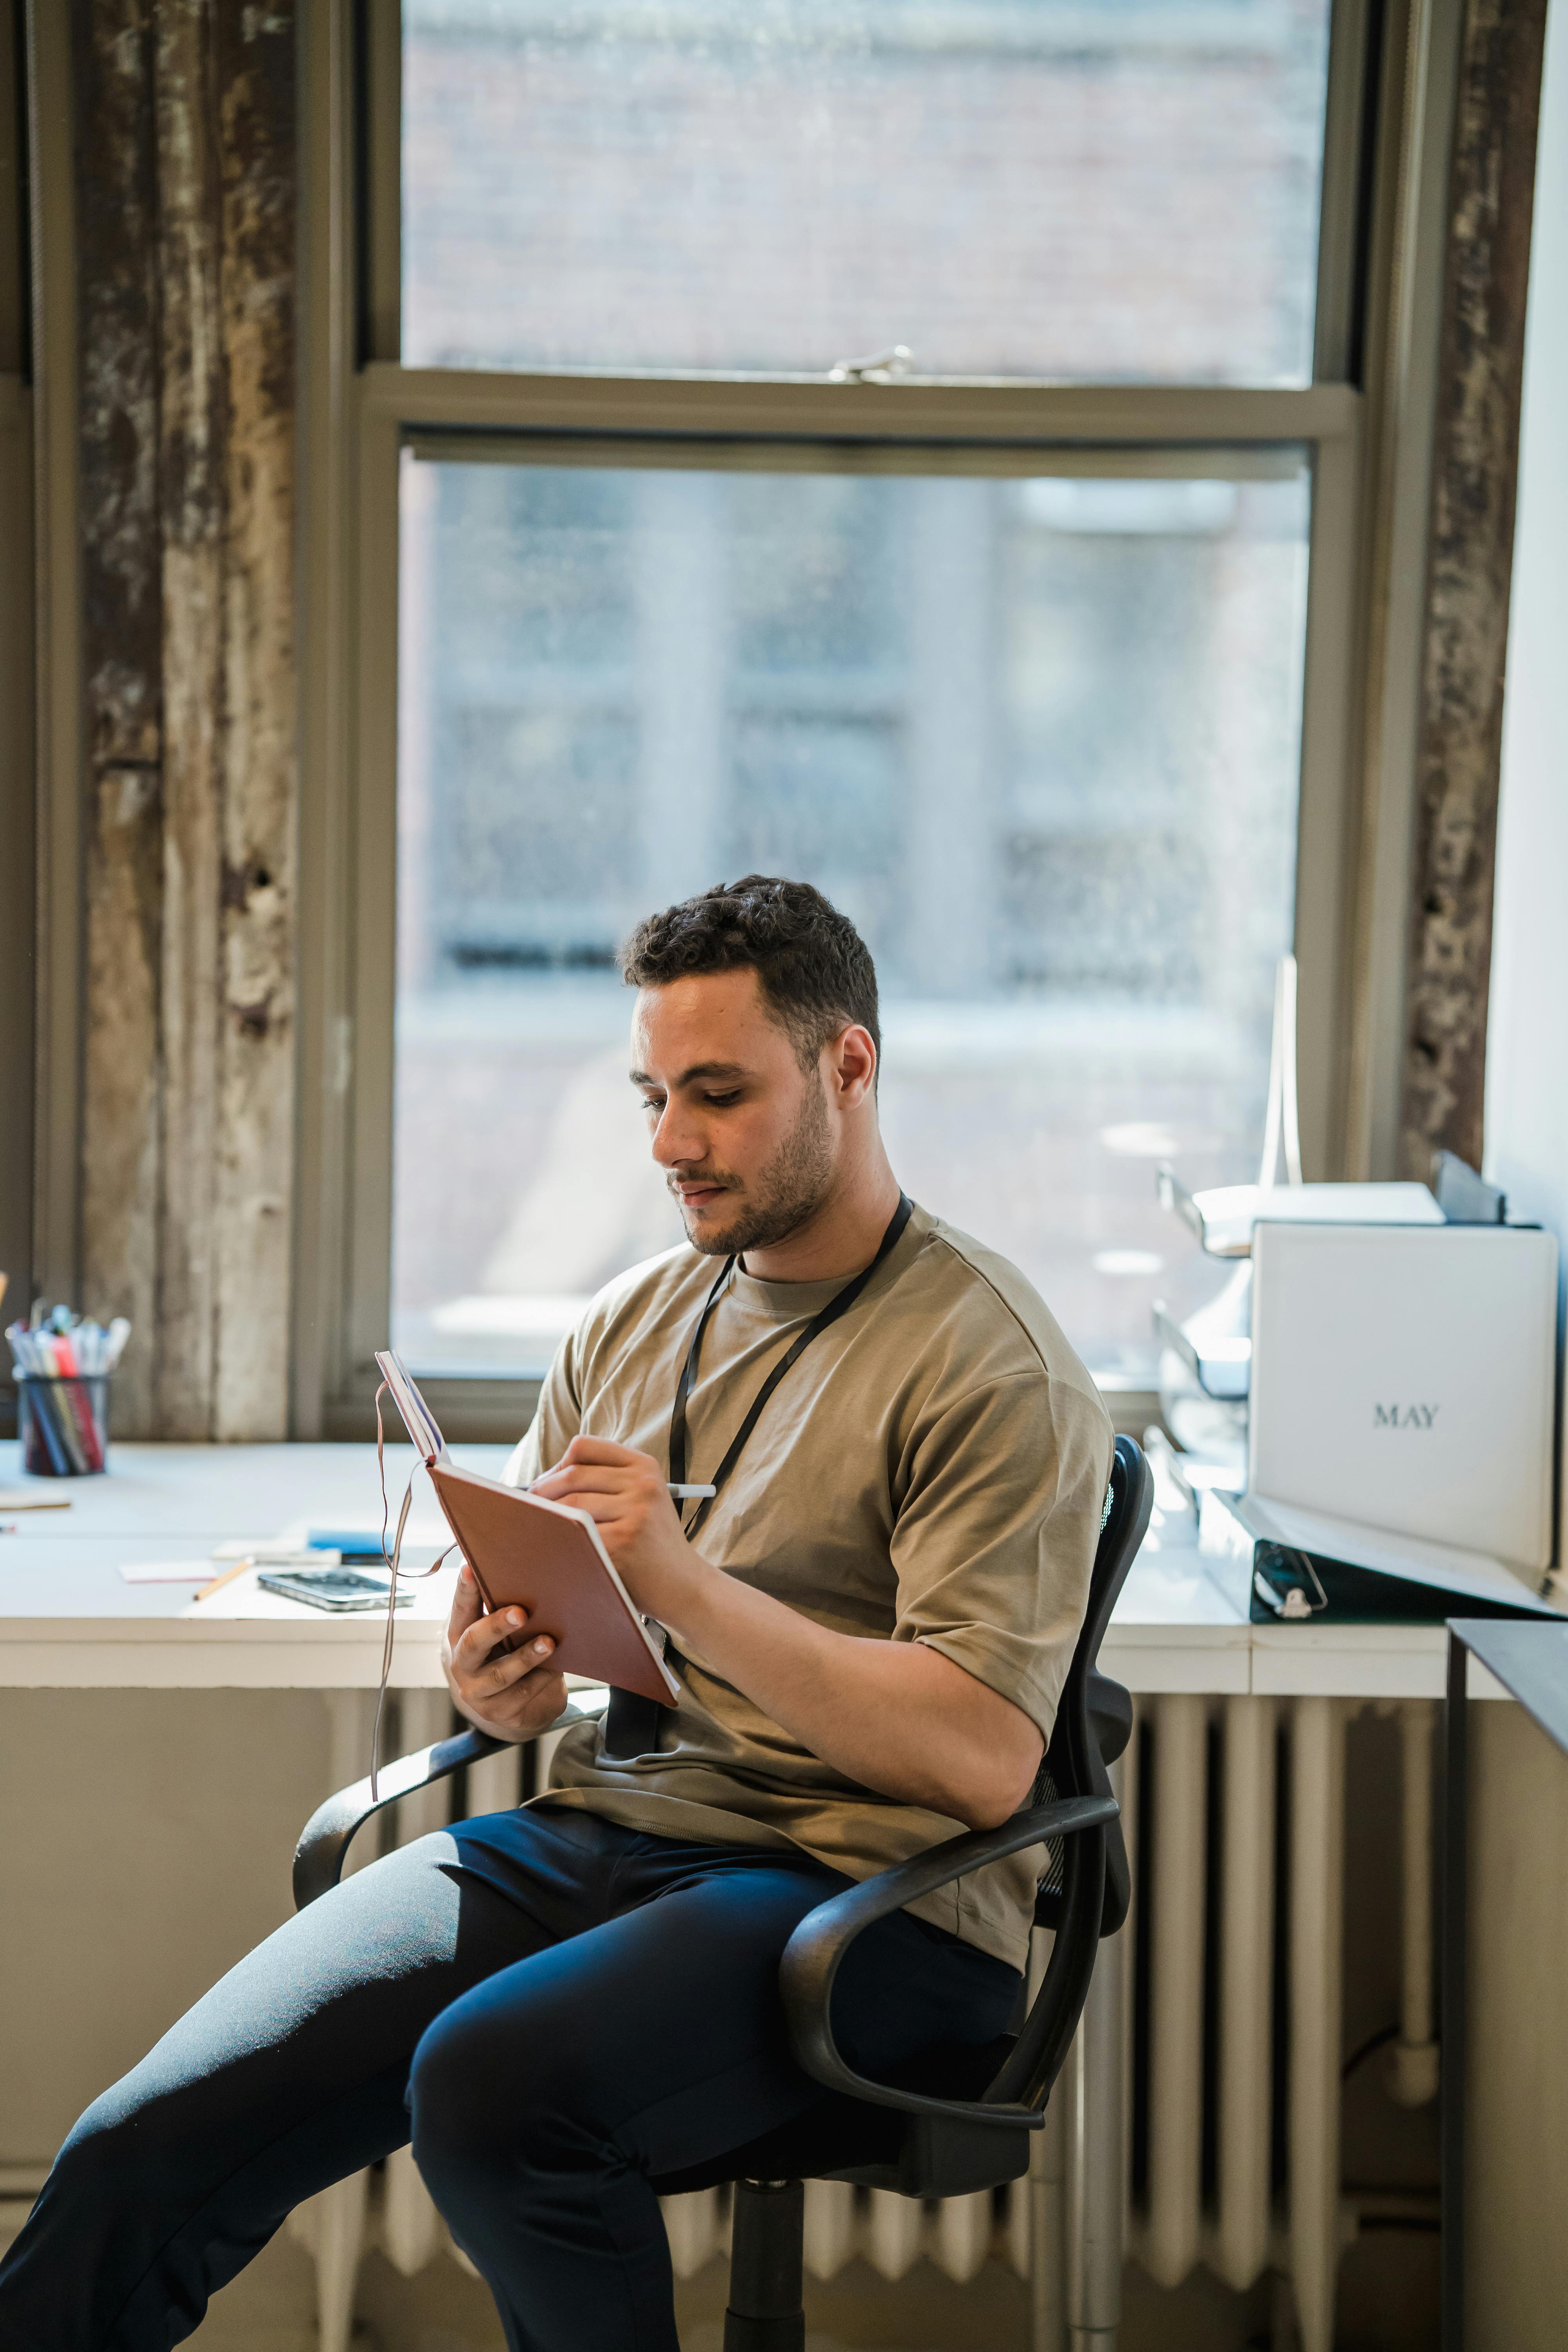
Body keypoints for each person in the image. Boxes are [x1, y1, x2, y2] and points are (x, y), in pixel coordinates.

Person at [0, 875, 1113, 2352]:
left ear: (850, 1065)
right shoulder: (632, 1319)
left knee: (491, 2087)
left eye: (718, 1094)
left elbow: (980, 1762)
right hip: (607, 1836)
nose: (670, 1143)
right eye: (653, 1093)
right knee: (147, 2135)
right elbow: (571, 1652)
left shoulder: (994, 1365)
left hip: (864, 1906)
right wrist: (507, 1686)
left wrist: (683, 1584)